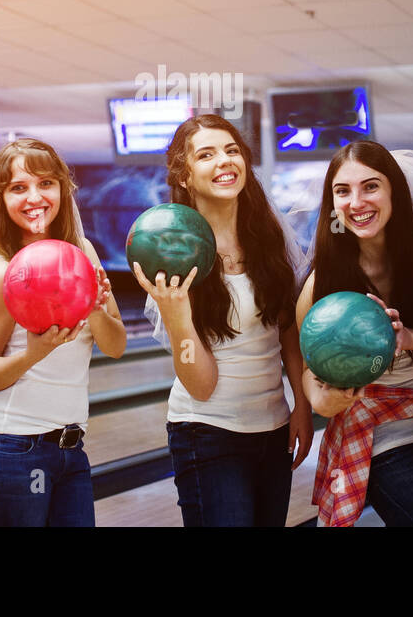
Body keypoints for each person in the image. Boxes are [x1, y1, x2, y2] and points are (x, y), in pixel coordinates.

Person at [137, 114, 313, 527]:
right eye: (207, 154)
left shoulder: (267, 235)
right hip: (207, 433)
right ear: (183, 175)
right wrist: (177, 316)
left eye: (232, 150)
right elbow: (201, 385)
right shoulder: (170, 250)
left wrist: (301, 407)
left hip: (272, 429)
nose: (224, 161)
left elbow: (287, 330)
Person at [298, 141, 413, 527]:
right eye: (343, 191)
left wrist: (409, 338)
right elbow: (308, 378)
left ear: (394, 188)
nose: (357, 202)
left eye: (371, 186)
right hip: (380, 439)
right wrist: (325, 399)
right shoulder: (321, 285)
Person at [0, 138, 126, 527]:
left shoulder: (83, 251)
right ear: (1, 199)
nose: (35, 197)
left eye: (46, 183)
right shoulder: (1, 272)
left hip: (70, 448)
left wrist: (97, 309)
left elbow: (115, 346)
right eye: (19, 188)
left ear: (63, 189)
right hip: (12, 450)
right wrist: (34, 353)